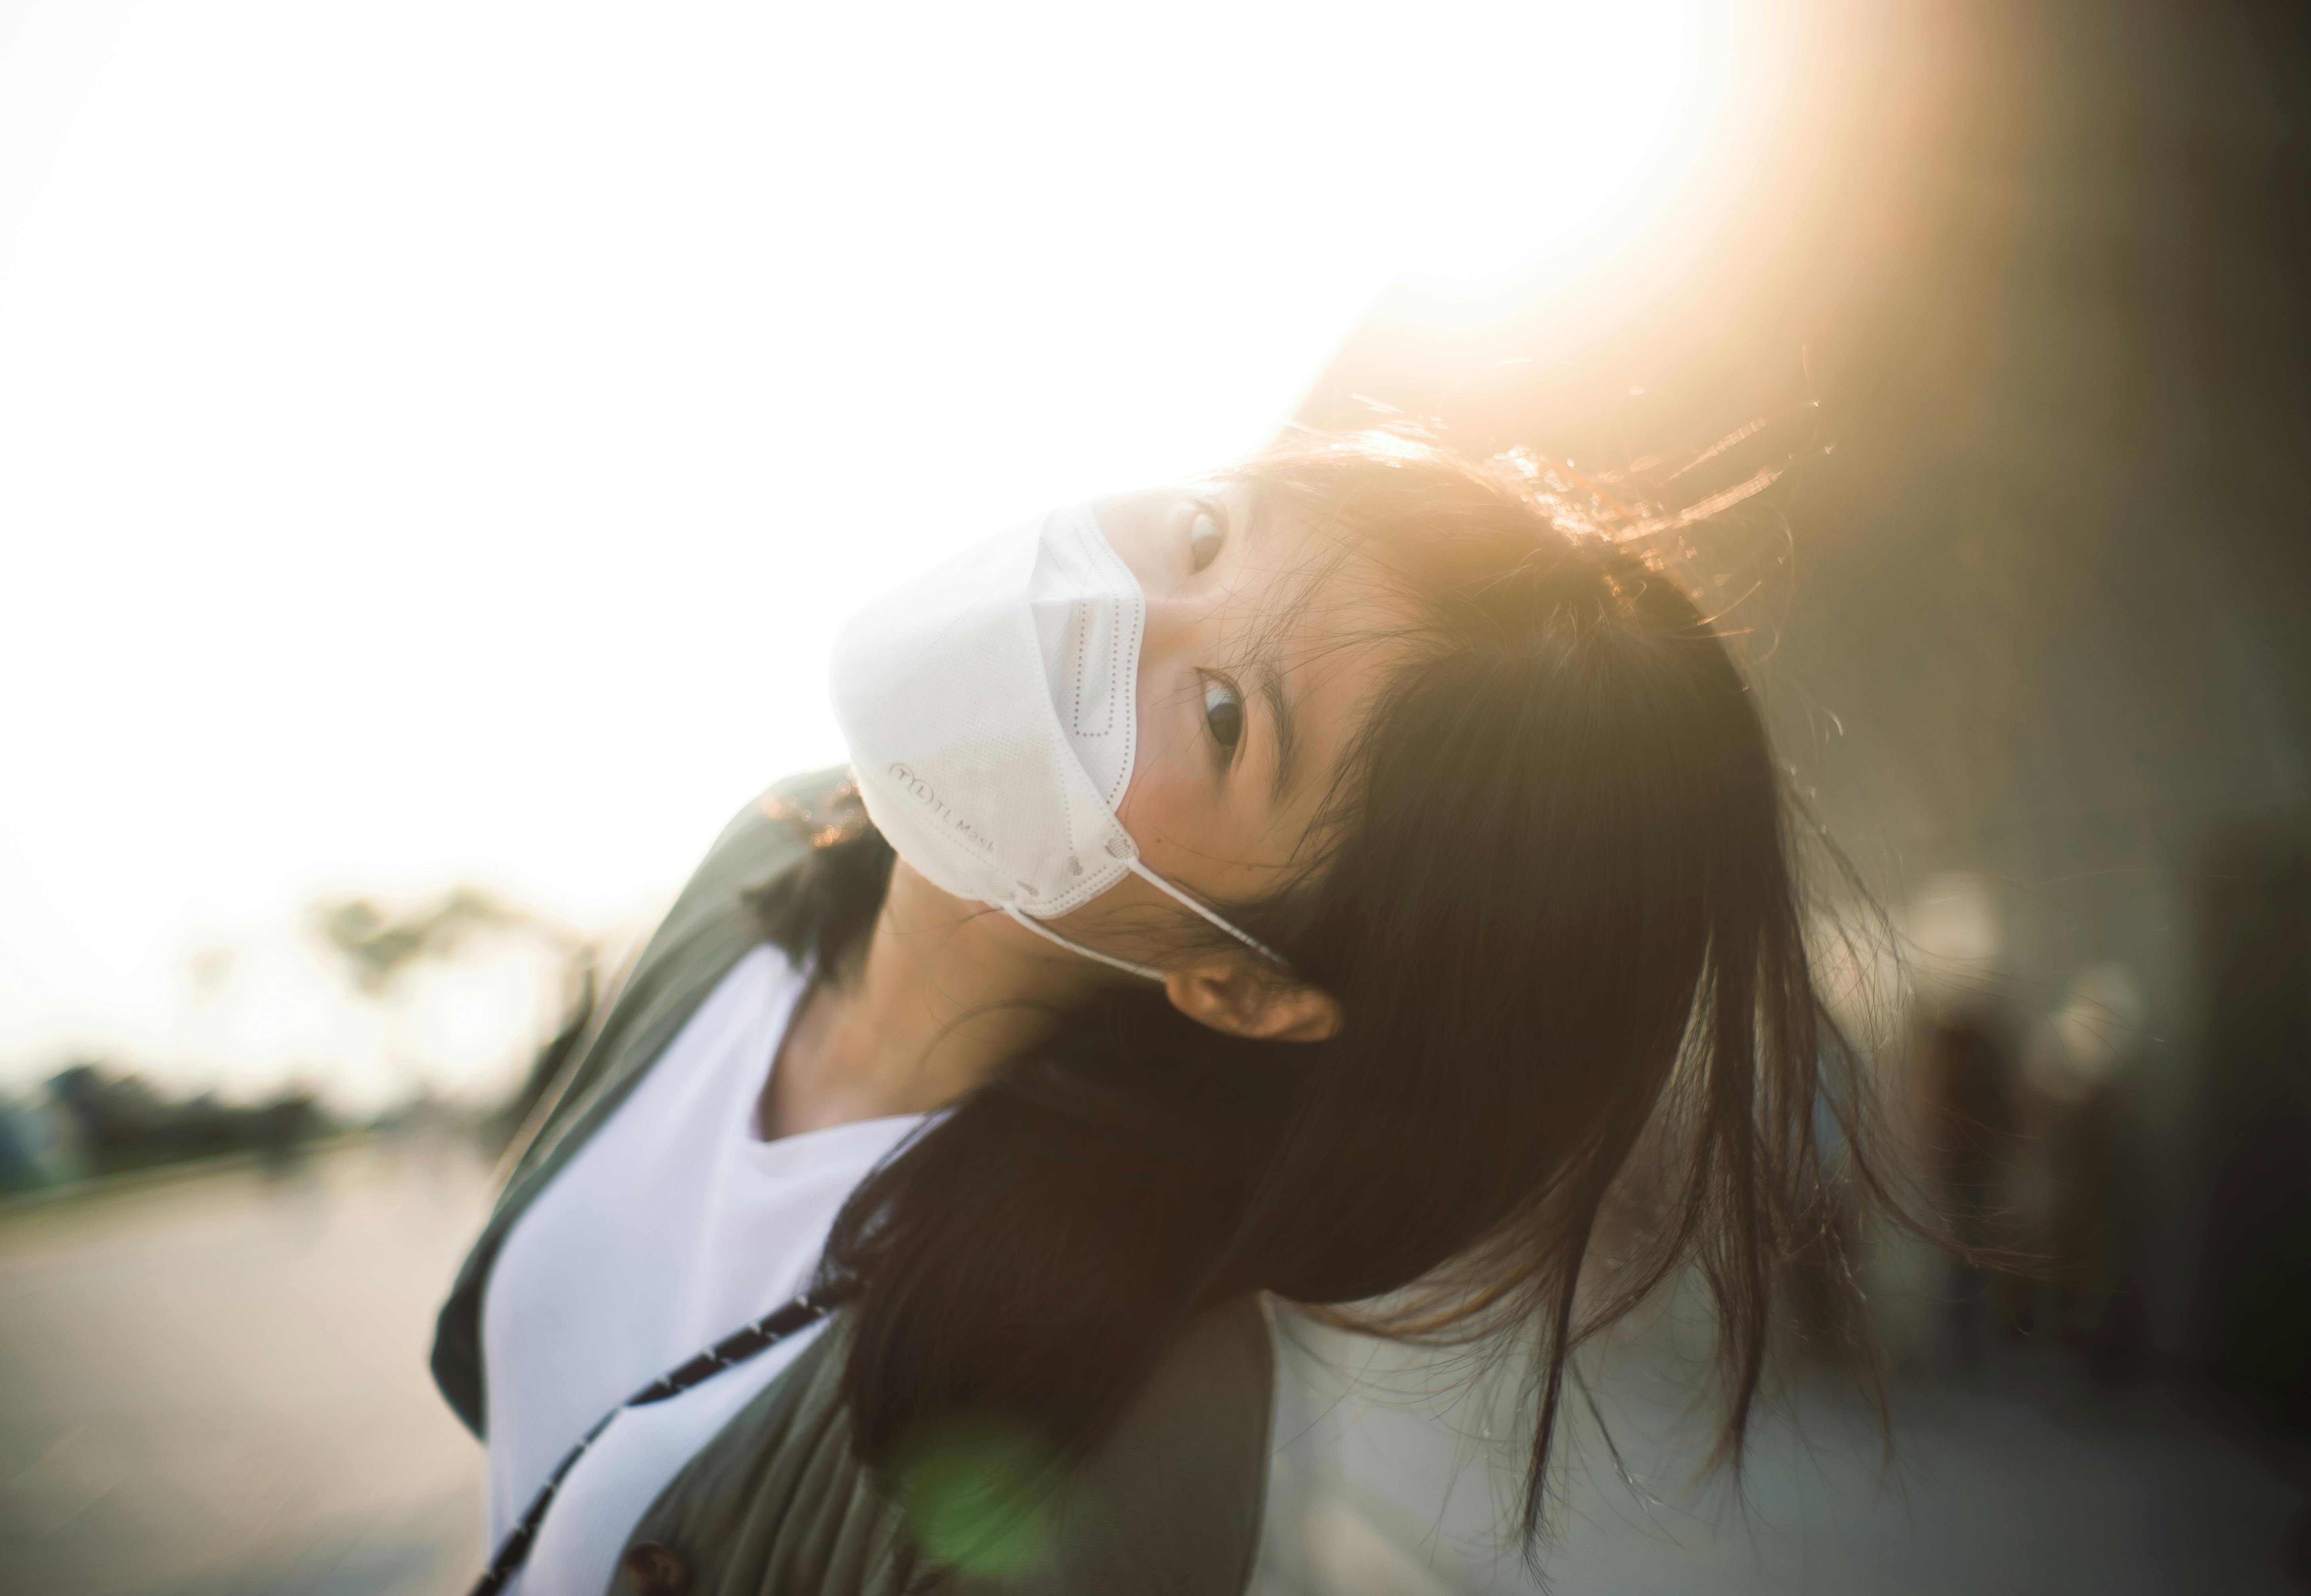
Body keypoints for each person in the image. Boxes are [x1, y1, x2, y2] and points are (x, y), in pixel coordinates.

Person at [431, 431, 1887, 1594]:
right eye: (1204, 532)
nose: (1118, 608)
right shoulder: (765, 846)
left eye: (1224, 718)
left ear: (1247, 986)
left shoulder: (1125, 1423)